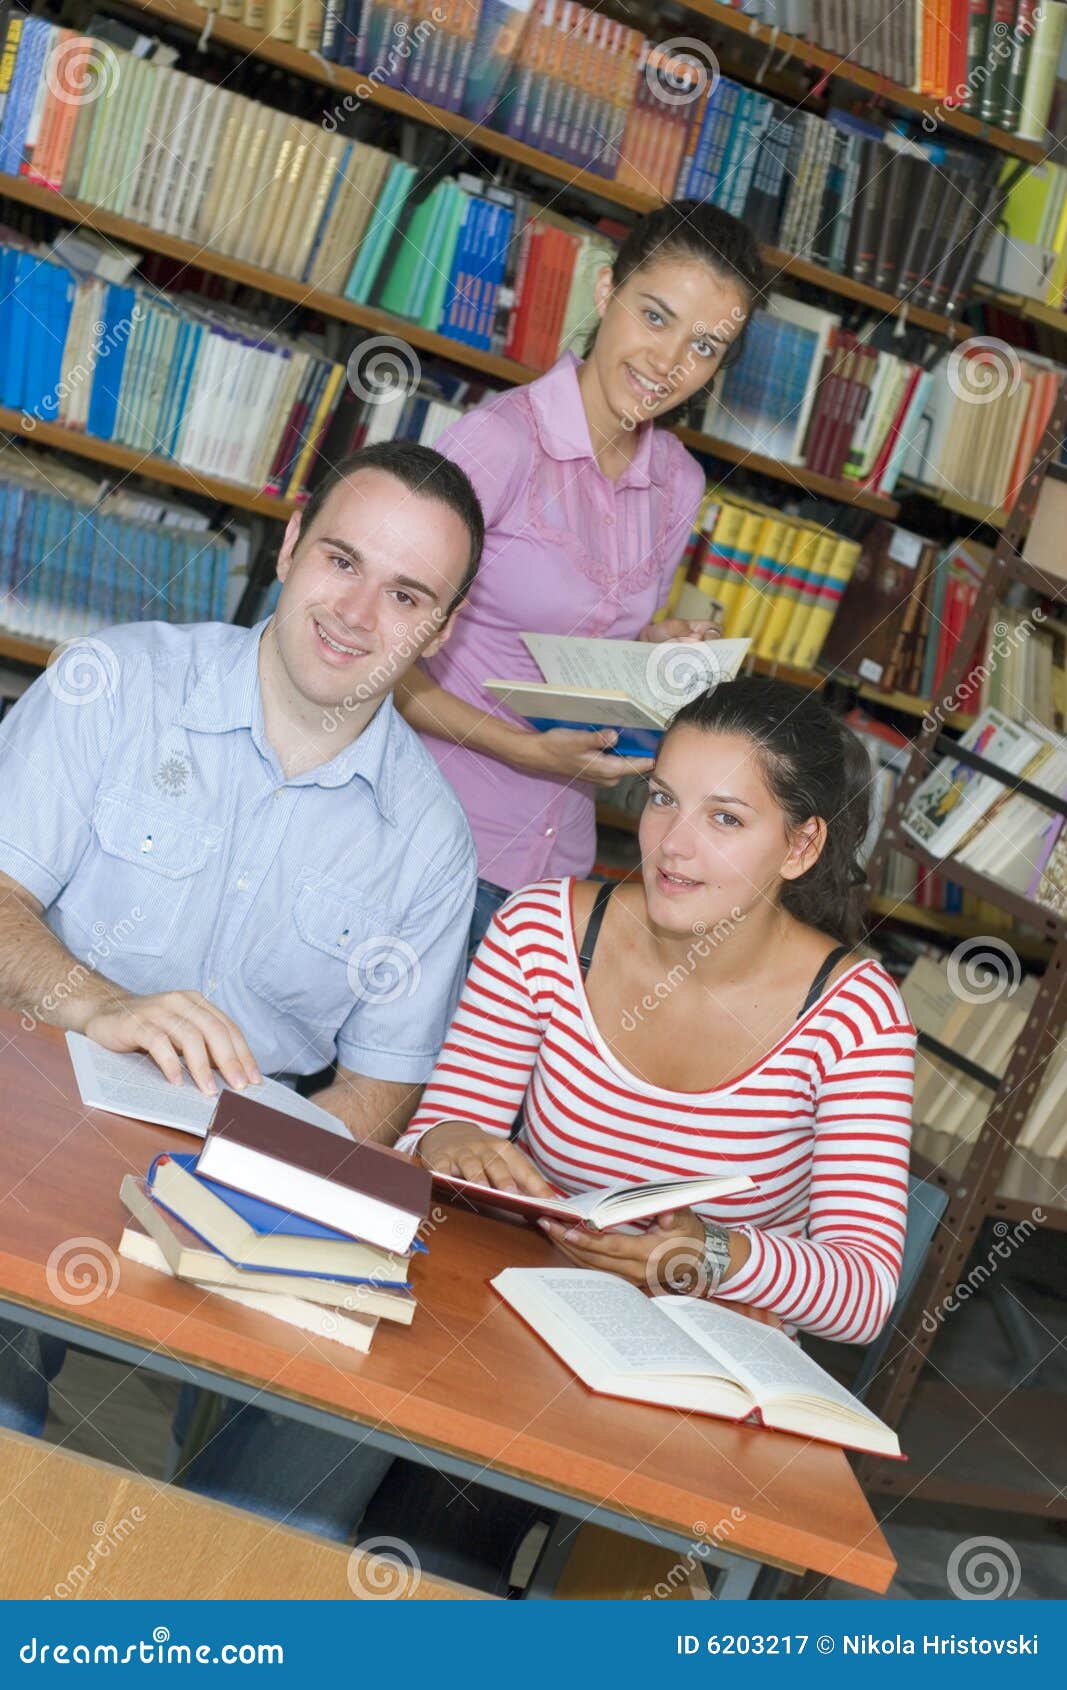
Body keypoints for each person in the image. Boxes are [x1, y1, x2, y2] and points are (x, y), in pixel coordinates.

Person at [0, 441, 481, 1519]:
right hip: (24, 1127)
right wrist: (98, 1004)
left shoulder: (431, 842)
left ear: (440, 633)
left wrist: (254, 1200)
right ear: (291, 539)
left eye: (405, 595)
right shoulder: (118, 680)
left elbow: (380, 1087)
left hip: (239, 1184)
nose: (357, 614)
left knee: (324, 1450)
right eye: (341, 562)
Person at [401, 677, 917, 1347]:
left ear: (800, 847)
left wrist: (708, 1257)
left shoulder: (857, 1018)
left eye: (724, 817)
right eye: (662, 800)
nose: (673, 843)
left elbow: (863, 1295)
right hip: (513, 1311)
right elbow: (433, 1136)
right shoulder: (540, 933)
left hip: (700, 1362)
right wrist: (444, 1141)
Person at [396, 199, 766, 956]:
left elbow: (589, 648)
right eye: (654, 317)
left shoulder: (678, 483)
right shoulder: (499, 444)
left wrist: (656, 651)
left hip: (554, 873)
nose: (667, 364)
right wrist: (519, 750)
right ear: (605, 293)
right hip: (423, 837)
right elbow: (378, 661)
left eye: (703, 346)